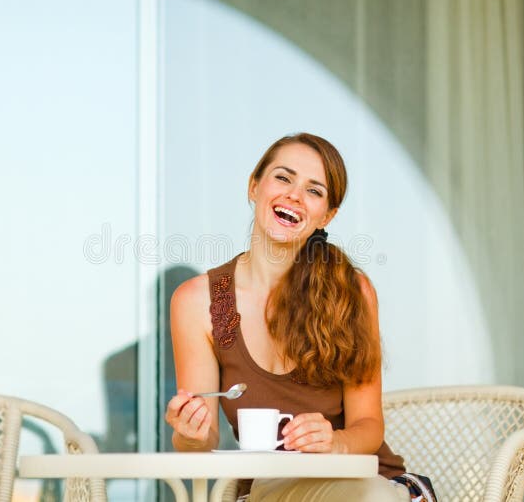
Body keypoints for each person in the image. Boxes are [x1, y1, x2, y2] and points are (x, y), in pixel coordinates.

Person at [164, 133, 434, 501]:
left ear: (328, 214)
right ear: (254, 186)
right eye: (283, 177)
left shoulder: (351, 291)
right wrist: (188, 434)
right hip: (271, 492)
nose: (293, 195)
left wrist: (335, 443)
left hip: (369, 488)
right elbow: (201, 440)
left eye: (314, 190)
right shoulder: (198, 301)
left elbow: (368, 426)